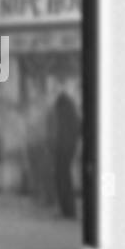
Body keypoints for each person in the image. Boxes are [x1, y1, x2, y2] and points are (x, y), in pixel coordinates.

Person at [49, 78, 81, 219]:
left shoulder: (63, 105)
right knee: (63, 177)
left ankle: (67, 210)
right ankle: (67, 210)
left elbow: (62, 129)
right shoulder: (66, 105)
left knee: (62, 177)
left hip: (64, 147)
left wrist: (57, 145)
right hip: (66, 147)